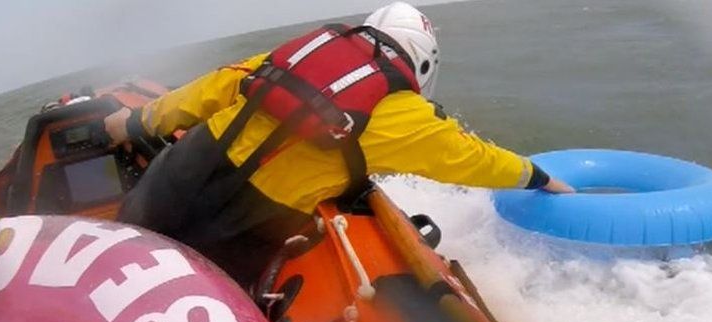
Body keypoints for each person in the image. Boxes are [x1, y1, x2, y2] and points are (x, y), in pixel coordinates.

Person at [103, 2, 573, 288]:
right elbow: (474, 160)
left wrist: (136, 120)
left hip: (169, 181)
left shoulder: (299, 52)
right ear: (422, 62)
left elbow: (208, 89)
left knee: (120, 273)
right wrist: (541, 176)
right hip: (230, 231)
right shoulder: (404, 114)